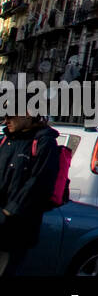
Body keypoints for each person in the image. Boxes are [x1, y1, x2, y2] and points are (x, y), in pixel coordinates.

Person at [0, 113, 61, 277]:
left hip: (17, 230)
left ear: (28, 115)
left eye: (10, 117)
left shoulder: (44, 142)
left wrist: (9, 212)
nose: (6, 121)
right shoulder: (7, 140)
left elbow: (40, 182)